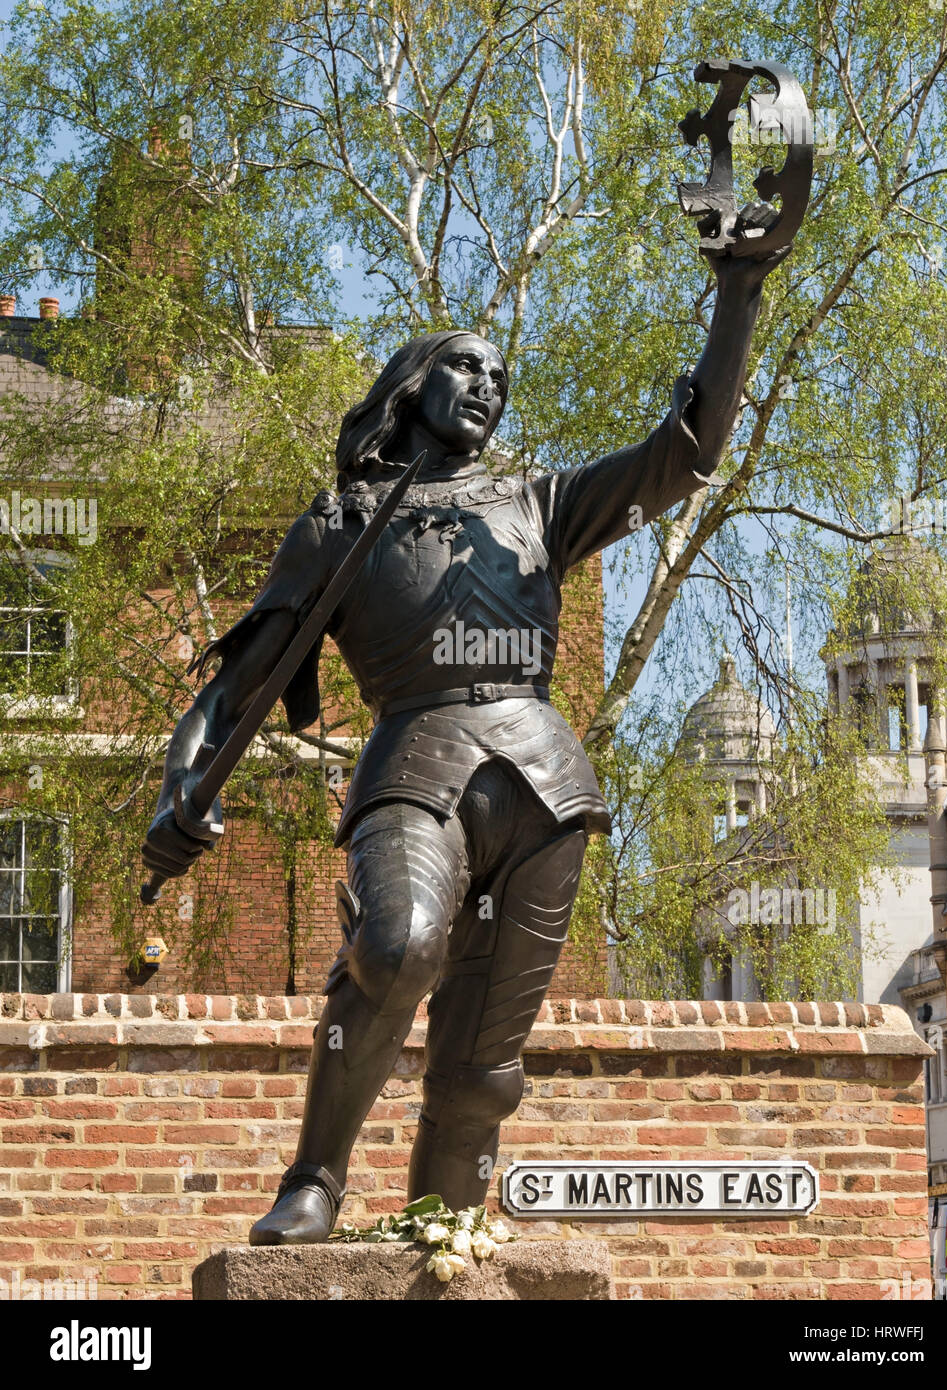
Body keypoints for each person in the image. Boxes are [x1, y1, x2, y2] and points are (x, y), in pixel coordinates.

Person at [141, 245, 788, 1244]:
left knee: (483, 1062)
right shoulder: (344, 520)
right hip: (414, 761)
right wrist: (180, 781)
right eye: (464, 366)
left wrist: (736, 293)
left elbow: (687, 453)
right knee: (395, 947)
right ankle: (314, 1178)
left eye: (498, 375)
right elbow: (241, 684)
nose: (485, 385)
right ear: (411, 384)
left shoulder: (537, 504)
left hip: (541, 784)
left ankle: (444, 1232)